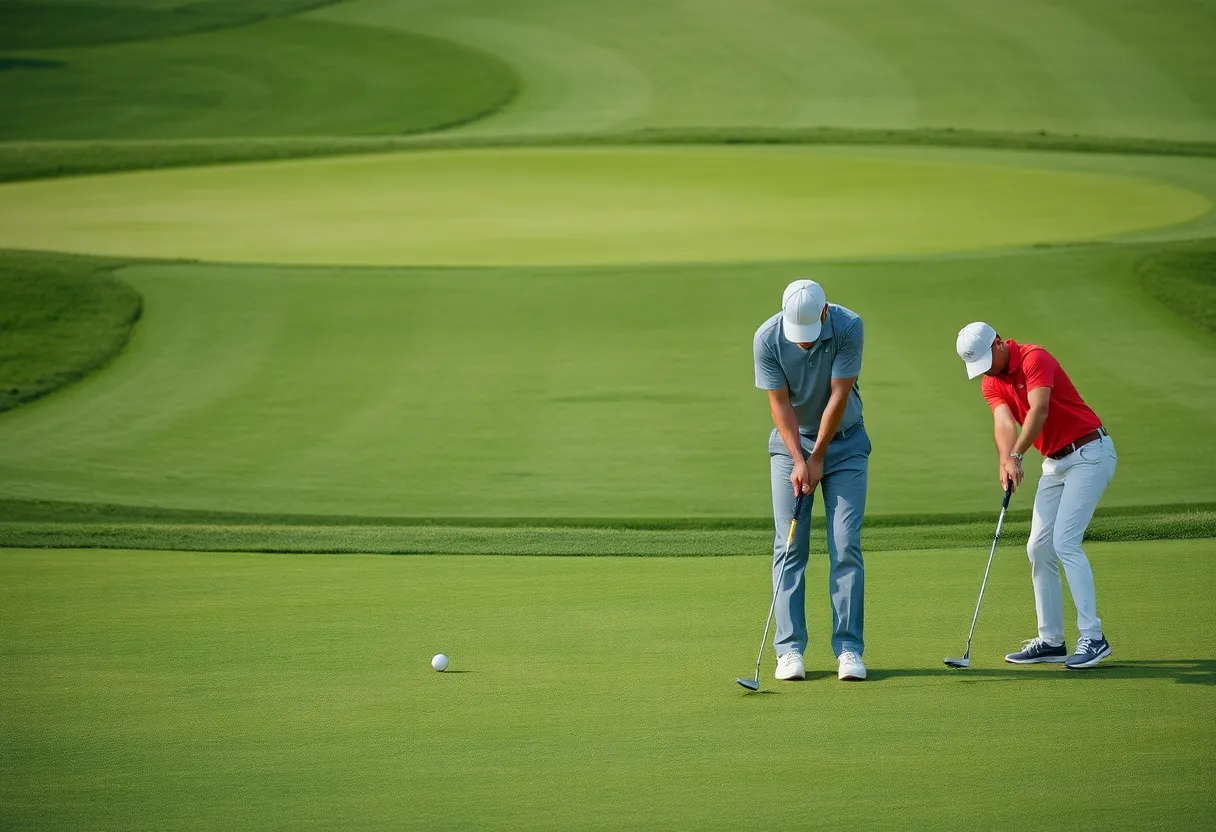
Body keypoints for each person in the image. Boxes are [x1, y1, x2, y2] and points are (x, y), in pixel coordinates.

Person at [955, 322, 1117, 669]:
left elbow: (1039, 410)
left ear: (998, 343)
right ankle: (1052, 640)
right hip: (1054, 463)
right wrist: (1004, 459)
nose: (987, 370)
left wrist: (1016, 456)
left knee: (1065, 543)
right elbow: (1003, 423)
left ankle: (1094, 636)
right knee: (1038, 547)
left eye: (988, 359)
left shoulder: (1034, 358)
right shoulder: (991, 380)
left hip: (1089, 452)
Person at [753, 279, 870, 682]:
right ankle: (789, 651)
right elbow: (779, 403)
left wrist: (817, 456)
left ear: (824, 314)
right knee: (789, 546)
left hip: (847, 444)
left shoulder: (849, 326)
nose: (802, 344)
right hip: (791, 446)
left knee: (845, 544)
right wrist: (799, 458)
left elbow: (839, 396)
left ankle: (849, 649)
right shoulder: (767, 338)